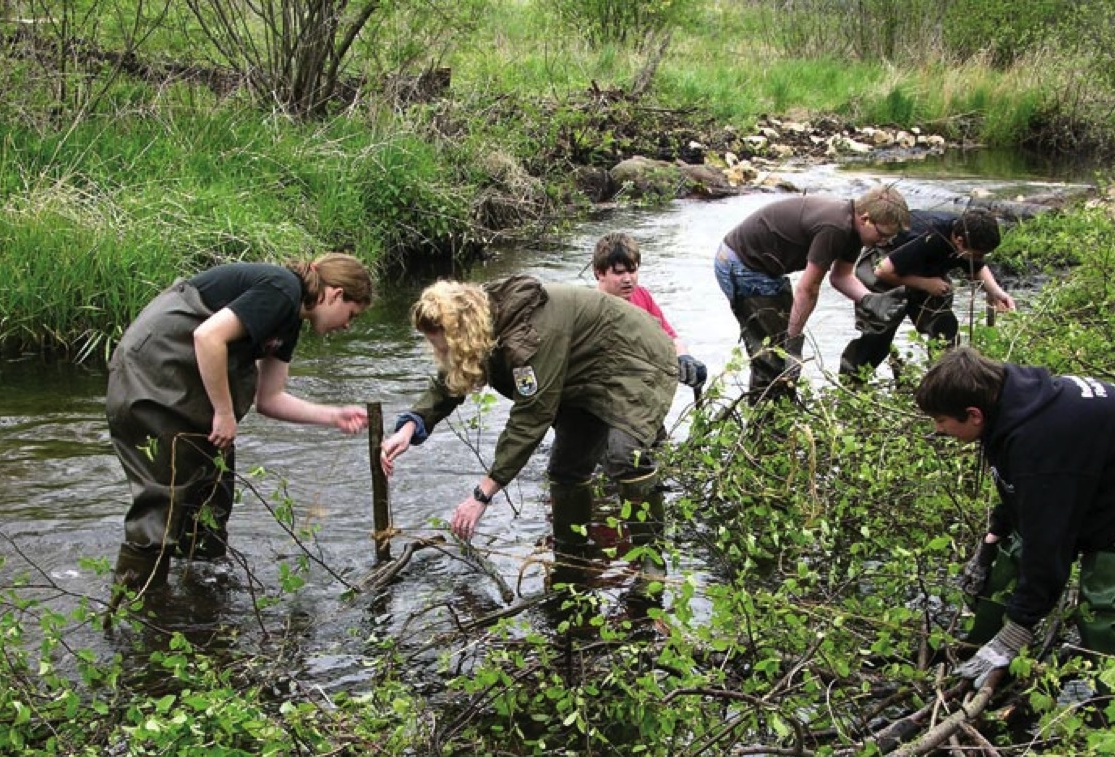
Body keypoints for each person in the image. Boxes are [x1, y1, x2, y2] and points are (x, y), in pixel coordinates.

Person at [380, 275, 677, 599]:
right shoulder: (481, 322)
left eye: (445, 346)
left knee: (625, 457)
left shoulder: (529, 340)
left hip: (636, 358)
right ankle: (572, 565)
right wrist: (410, 427)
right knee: (566, 469)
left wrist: (483, 493)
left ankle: (652, 566)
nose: (442, 353)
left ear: (463, 334)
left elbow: (531, 417)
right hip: (580, 372)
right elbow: (450, 379)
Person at [106, 253, 373, 598]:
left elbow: (269, 398)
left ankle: (198, 606)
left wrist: (334, 416)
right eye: (351, 314)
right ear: (335, 294)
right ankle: (133, 611)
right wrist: (224, 412)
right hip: (149, 380)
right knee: (163, 502)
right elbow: (207, 337)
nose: (347, 325)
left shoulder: (289, 320)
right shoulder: (282, 290)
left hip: (182, 392)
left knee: (211, 500)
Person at [915, 349, 1115, 688]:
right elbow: (1016, 485)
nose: (939, 430)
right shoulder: (1008, 402)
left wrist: (1020, 628)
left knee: (1103, 611)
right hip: (1079, 476)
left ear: (973, 414)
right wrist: (992, 539)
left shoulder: (1040, 442)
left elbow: (1049, 544)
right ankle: (975, 652)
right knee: (1007, 564)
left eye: (941, 421)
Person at [714, 186, 910, 402]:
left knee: (780, 347)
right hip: (742, 265)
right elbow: (808, 289)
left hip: (766, 268)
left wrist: (869, 299)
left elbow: (841, 277)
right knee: (773, 356)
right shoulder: (836, 228)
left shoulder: (854, 231)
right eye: (882, 235)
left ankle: (780, 413)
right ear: (866, 218)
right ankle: (765, 425)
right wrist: (793, 344)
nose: (884, 243)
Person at [841, 208, 1016, 383]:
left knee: (944, 327)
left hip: (926, 273)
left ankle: (942, 384)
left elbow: (977, 265)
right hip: (885, 268)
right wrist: (925, 284)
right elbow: (883, 271)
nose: (979, 258)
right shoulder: (930, 237)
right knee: (878, 337)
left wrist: (996, 292)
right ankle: (851, 383)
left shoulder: (967, 232)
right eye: (977, 253)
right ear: (959, 241)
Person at [591, 231, 708, 391]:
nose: (627, 279)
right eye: (619, 272)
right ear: (599, 273)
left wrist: (684, 359)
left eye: (632, 271)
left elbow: (670, 338)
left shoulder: (642, 295)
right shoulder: (591, 309)